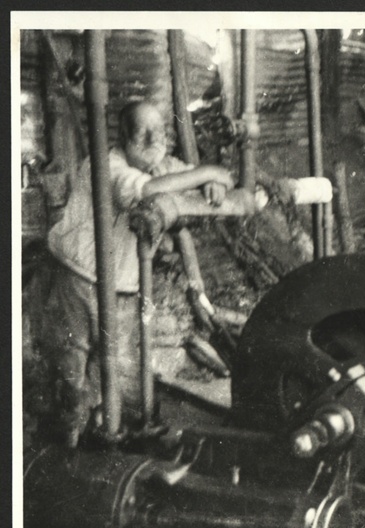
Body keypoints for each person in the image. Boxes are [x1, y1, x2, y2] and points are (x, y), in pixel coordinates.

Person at [44, 100, 235, 446]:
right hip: (77, 278)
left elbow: (199, 179)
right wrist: (209, 173)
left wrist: (213, 184)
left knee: (120, 370)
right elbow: (145, 190)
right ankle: (65, 449)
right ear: (123, 136)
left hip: (122, 287)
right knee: (70, 369)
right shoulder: (106, 164)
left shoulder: (164, 166)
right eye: (142, 132)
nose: (152, 139)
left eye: (158, 130)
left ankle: (108, 437)